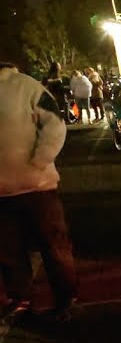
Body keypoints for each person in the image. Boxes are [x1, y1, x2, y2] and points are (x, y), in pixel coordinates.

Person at [0, 61, 79, 322]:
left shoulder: (26, 87)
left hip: (38, 187)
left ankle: (66, 298)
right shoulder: (29, 87)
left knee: (53, 246)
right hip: (7, 192)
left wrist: (39, 160)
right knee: (9, 250)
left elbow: (55, 125)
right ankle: (20, 298)